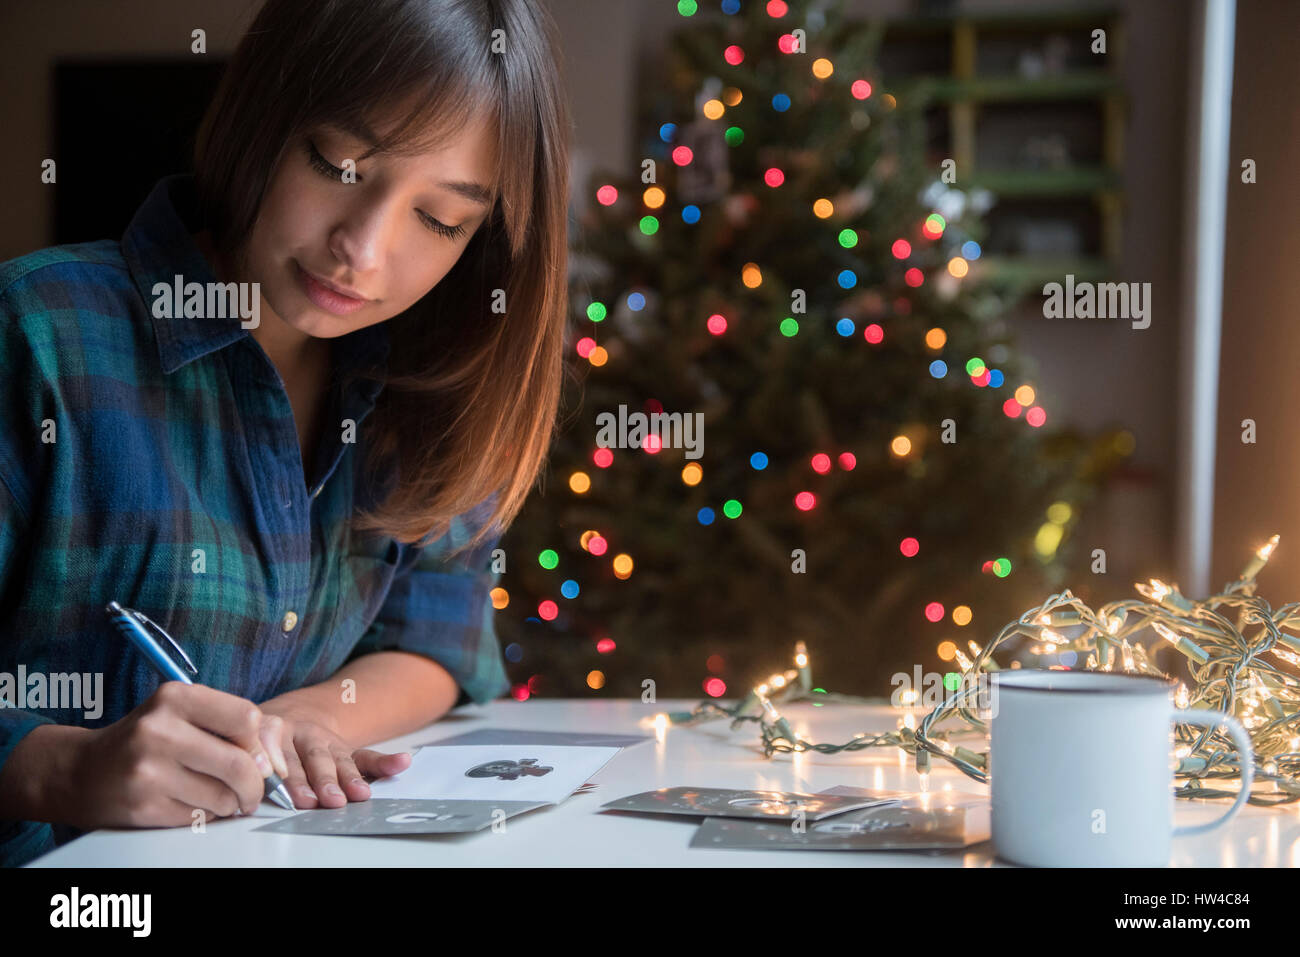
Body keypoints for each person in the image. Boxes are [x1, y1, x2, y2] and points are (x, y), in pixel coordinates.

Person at [0, 0, 571, 866]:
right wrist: (61, 768)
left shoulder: (433, 378)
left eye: (441, 219)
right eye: (338, 164)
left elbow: (434, 646)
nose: (364, 249)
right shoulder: (36, 335)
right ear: (264, 110)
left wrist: (292, 726)